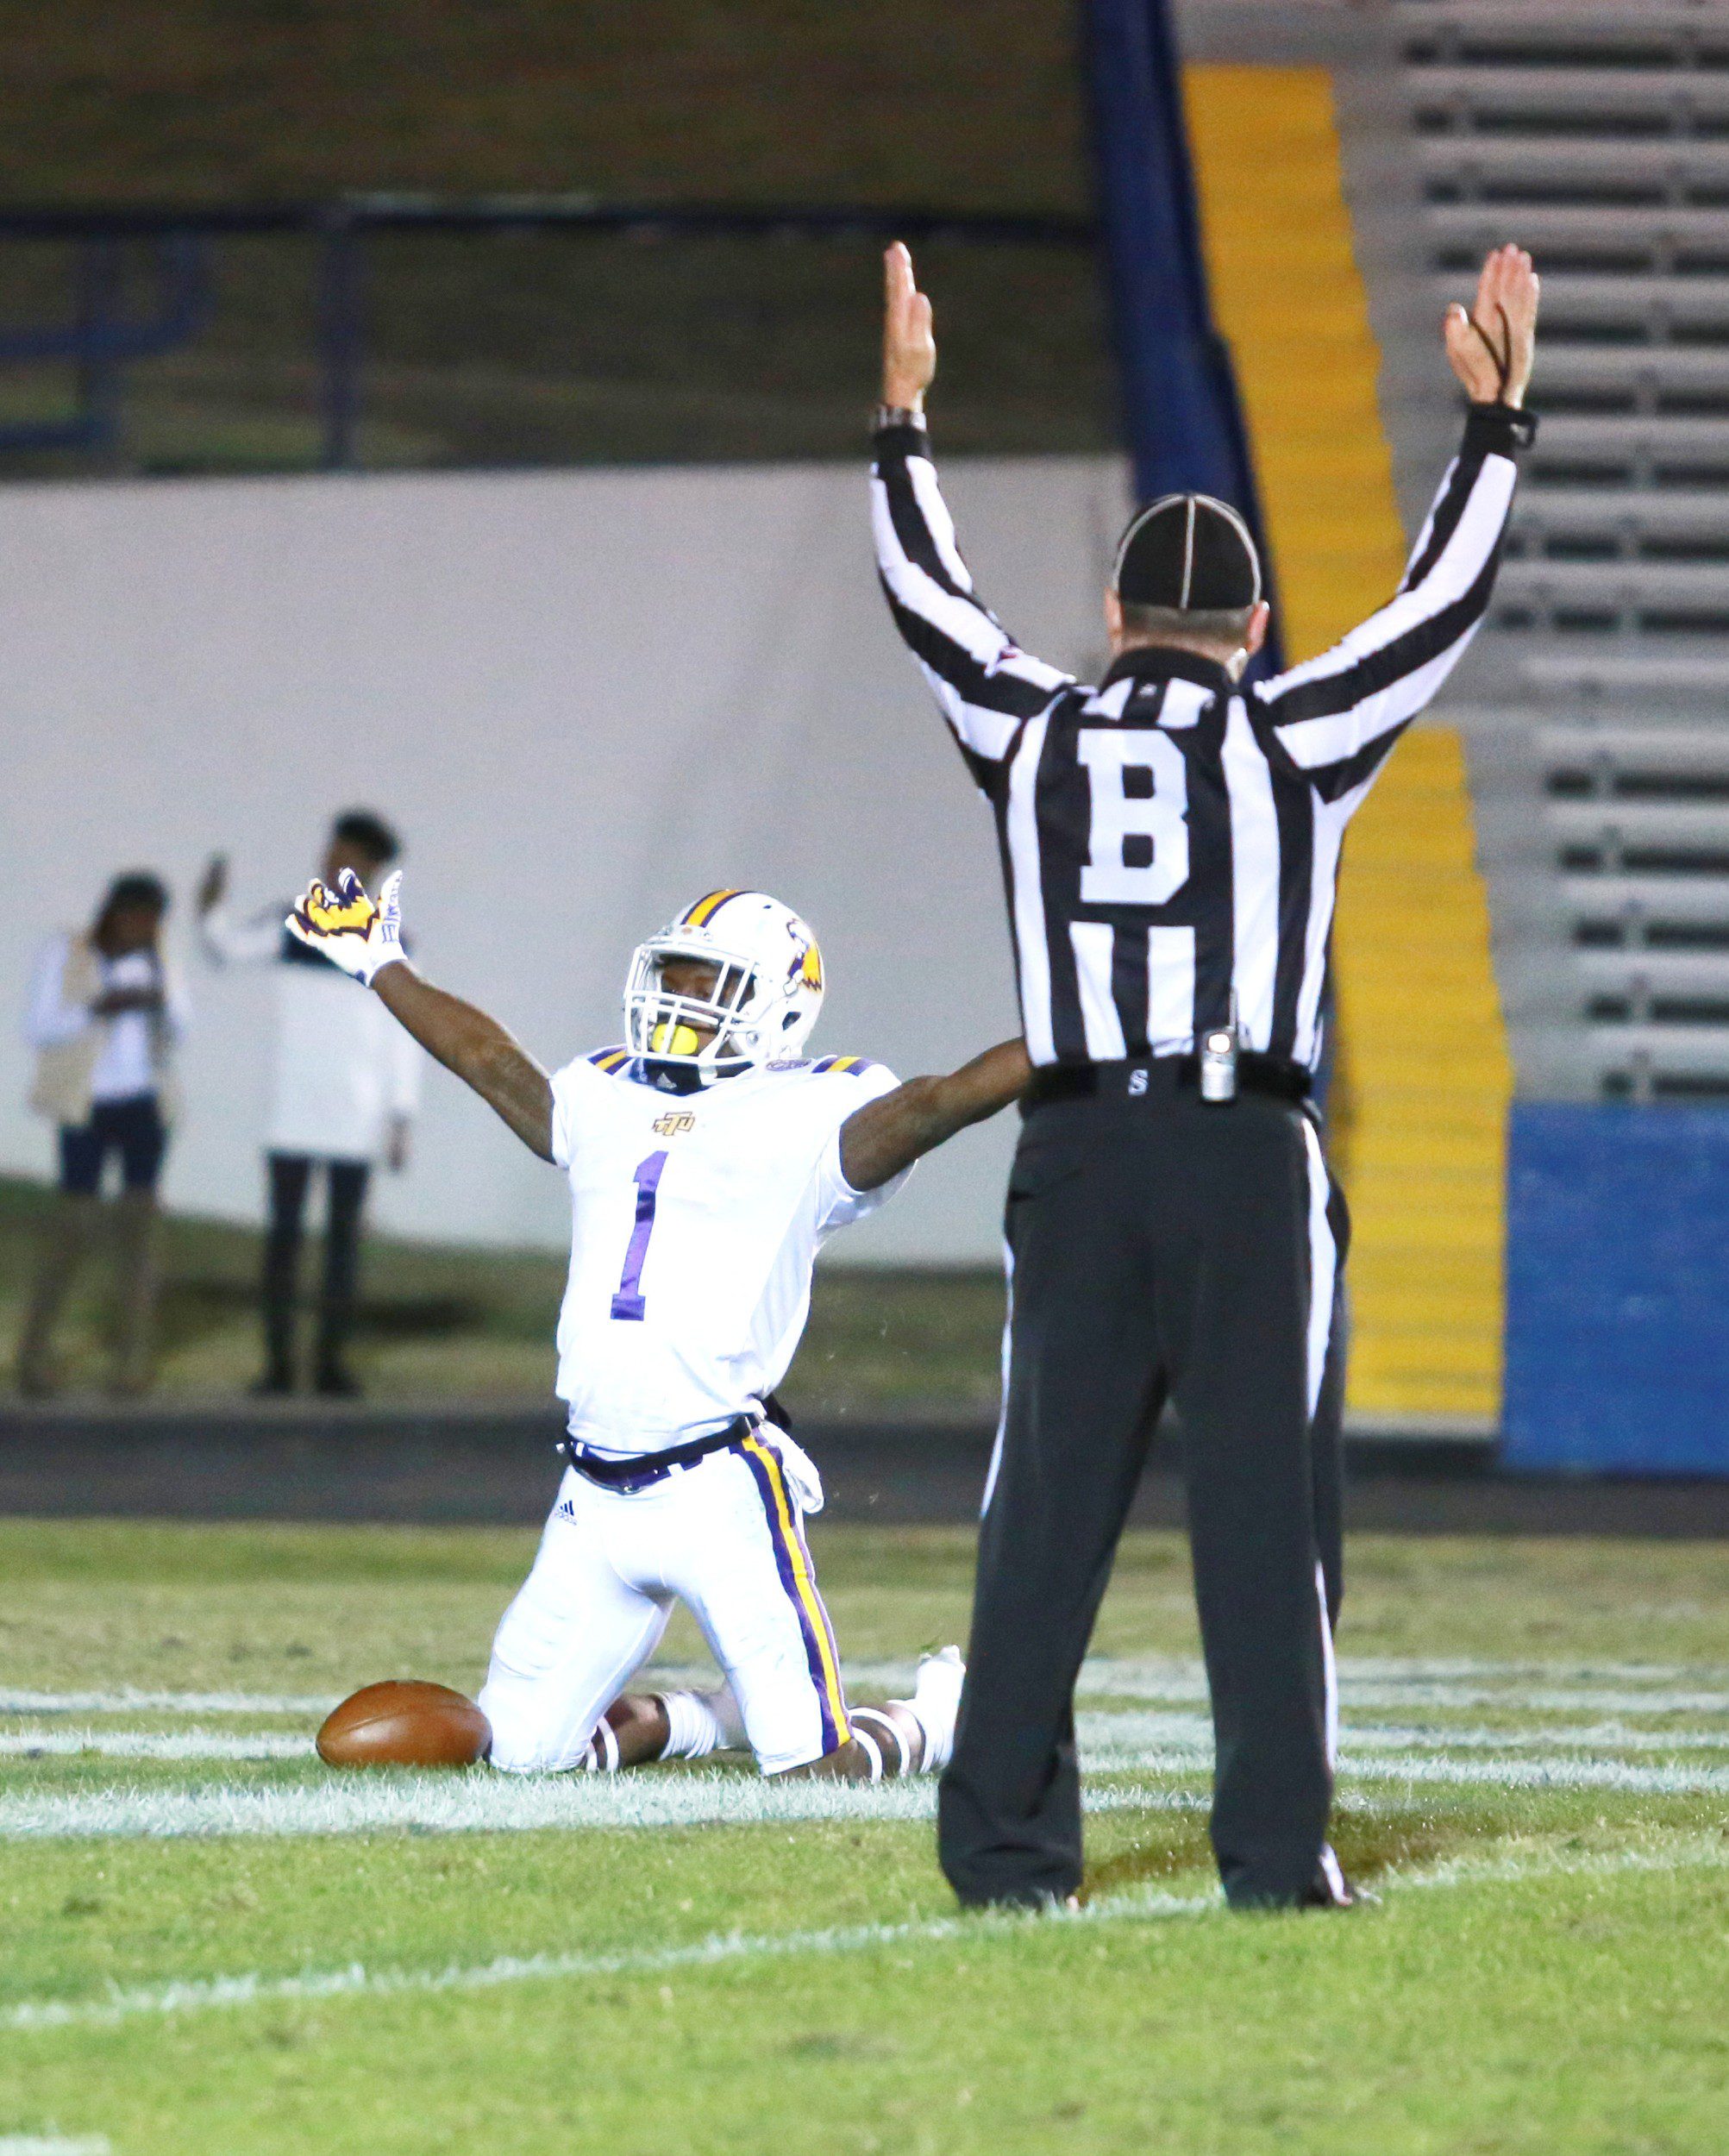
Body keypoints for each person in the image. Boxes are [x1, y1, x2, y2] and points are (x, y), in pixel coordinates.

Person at [871, 241, 1539, 1908]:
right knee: (1264, 1527)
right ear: (1251, 626)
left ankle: (1008, 1855)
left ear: (1113, 617)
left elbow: (930, 607)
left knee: (1043, 1516)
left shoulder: (1031, 729)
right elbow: (1434, 609)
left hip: (1080, 1154)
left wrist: (902, 429)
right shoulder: (1294, 732)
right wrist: (1494, 432)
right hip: (1247, 1155)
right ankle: (1268, 1857)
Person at [285, 870, 1031, 1782]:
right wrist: (379, 962)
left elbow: (940, 1100)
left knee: (815, 1773)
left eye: (708, 982)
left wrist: (1082, 1035)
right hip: (592, 1493)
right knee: (521, 1754)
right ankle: (706, 1717)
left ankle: (940, 1717)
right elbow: (485, 1059)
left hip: (718, 1485)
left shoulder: (812, 1113)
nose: (679, 998)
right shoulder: (602, 1091)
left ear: (780, 1006)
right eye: (675, 975)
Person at [197, 810, 422, 1396]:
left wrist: (400, 1117)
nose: (334, 863)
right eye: (333, 852)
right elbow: (222, 947)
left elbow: (407, 1035)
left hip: (355, 1117)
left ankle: (328, 1366)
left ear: (372, 869)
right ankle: (277, 1366)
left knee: (342, 1247)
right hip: (291, 1112)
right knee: (283, 1244)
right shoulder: (290, 924)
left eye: (349, 856)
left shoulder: (390, 942)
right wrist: (210, 906)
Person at [18, 872, 187, 1397]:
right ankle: (33, 1360)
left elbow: (182, 1026)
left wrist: (157, 1004)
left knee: (140, 1235)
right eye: (136, 916)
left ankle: (132, 1367)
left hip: (143, 1104)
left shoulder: (160, 959)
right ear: (113, 911)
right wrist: (98, 1008)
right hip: (86, 1103)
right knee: (72, 1231)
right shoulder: (66, 952)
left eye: (153, 920)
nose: (144, 928)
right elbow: (38, 1026)